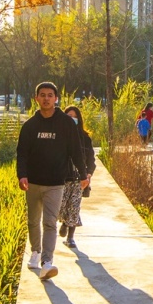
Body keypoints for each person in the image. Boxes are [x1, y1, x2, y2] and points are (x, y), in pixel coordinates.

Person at [16, 81, 89, 280]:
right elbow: (21, 153)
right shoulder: (30, 125)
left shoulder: (66, 123)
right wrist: (21, 174)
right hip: (33, 182)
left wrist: (83, 175)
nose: (46, 98)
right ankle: (35, 252)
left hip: (56, 182)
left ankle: (47, 262)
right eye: (43, 95)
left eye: (50, 95)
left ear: (56, 99)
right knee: (33, 221)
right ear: (36, 98)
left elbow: (75, 150)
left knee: (49, 222)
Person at [58, 105, 96, 249]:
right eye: (68, 116)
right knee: (61, 206)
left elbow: (91, 159)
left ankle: (70, 237)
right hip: (62, 177)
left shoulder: (85, 138)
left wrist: (88, 174)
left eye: (74, 116)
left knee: (74, 206)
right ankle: (64, 222)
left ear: (78, 119)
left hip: (79, 178)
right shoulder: (60, 136)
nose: (71, 119)